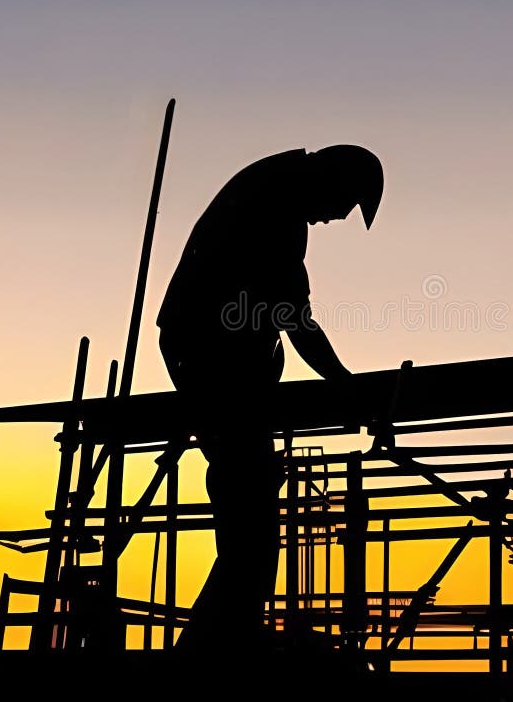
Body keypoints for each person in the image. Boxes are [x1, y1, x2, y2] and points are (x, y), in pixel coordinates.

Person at [156, 144, 384, 658]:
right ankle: (213, 651)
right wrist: (342, 383)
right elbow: (294, 319)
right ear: (332, 177)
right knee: (252, 522)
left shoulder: (275, 189)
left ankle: (219, 641)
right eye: (343, 204)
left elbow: (279, 313)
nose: (335, 218)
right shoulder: (276, 206)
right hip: (210, 355)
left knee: (249, 507)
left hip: (215, 353)